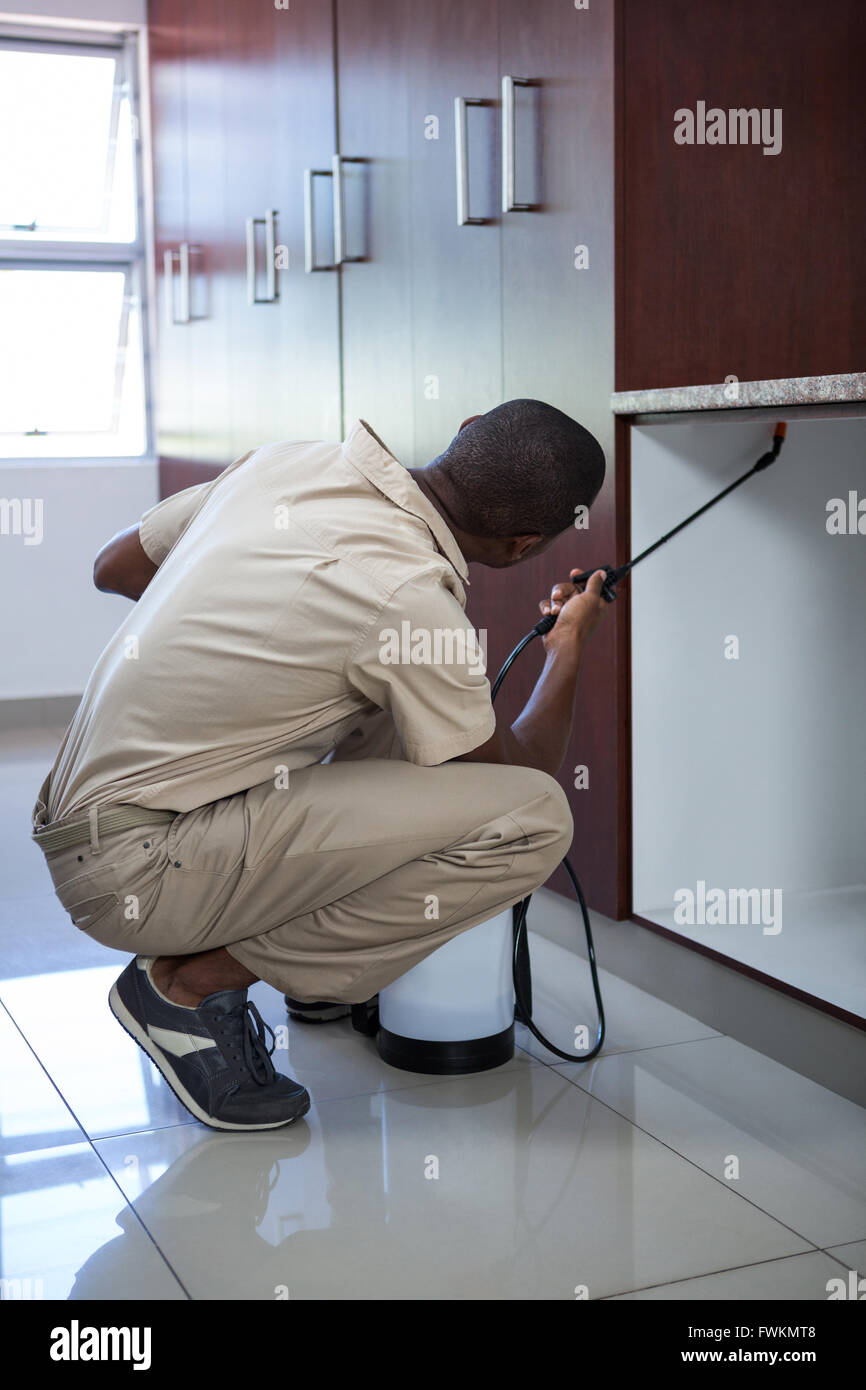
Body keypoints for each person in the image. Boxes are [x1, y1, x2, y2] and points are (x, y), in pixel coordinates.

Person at [31, 398, 609, 1131]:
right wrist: (569, 648)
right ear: (524, 545)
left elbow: (114, 567)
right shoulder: (410, 597)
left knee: (386, 695)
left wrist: (256, 632)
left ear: (463, 432)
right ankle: (186, 988)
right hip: (137, 872)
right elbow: (518, 784)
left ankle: (312, 983)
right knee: (533, 821)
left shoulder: (291, 462)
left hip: (85, 821)